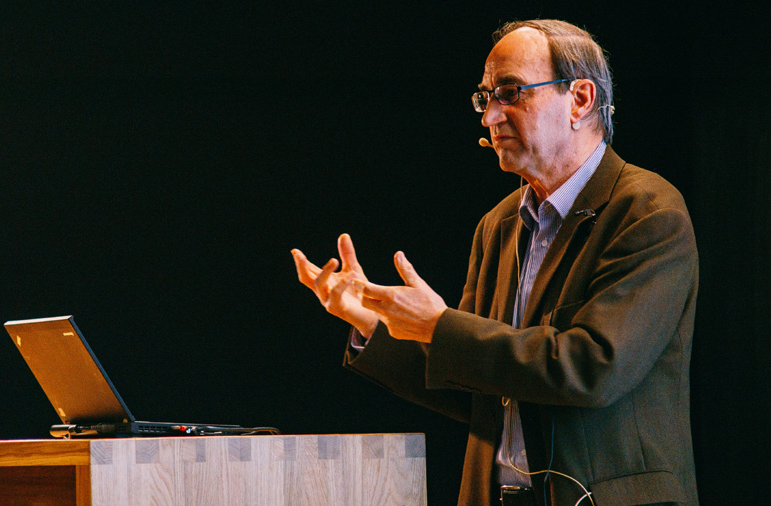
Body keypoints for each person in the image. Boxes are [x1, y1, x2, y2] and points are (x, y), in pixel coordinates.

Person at [292, 19, 698, 506]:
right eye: (486, 99)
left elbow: (592, 366)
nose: (490, 117)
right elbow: (474, 381)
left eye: (510, 93)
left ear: (580, 100)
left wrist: (440, 326)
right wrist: (372, 321)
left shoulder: (647, 210)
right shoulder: (499, 224)